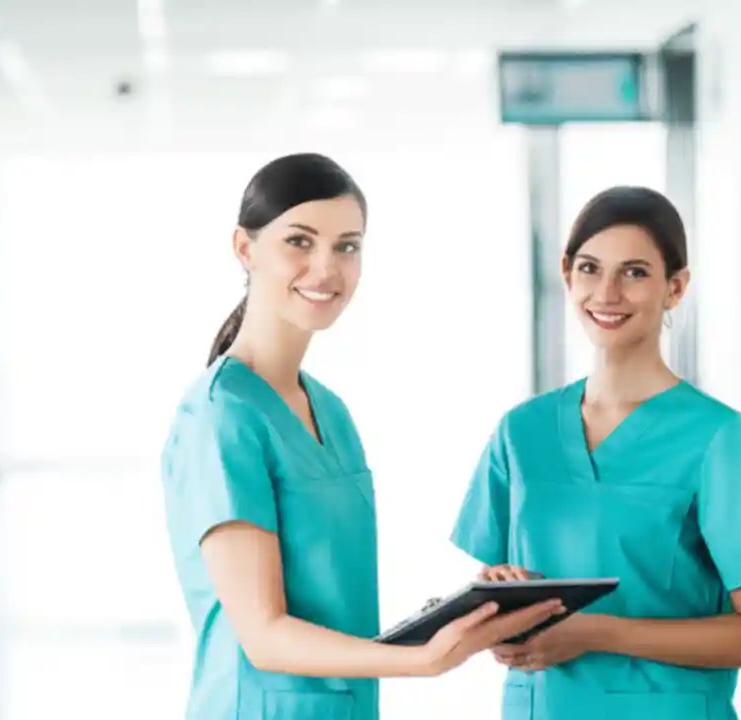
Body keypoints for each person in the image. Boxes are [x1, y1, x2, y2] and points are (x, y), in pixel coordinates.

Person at [160, 153, 563, 720]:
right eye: (300, 242)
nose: (327, 268)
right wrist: (424, 659)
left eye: (347, 246)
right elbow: (264, 637)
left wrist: (465, 614)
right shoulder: (219, 416)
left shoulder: (330, 412)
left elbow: (331, 600)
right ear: (245, 249)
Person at [449, 186, 741, 720]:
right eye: (590, 268)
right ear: (567, 274)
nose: (606, 292)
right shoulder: (522, 432)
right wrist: (500, 601)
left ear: (675, 288)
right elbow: (496, 583)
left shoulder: (718, 438)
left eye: (634, 273)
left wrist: (593, 633)